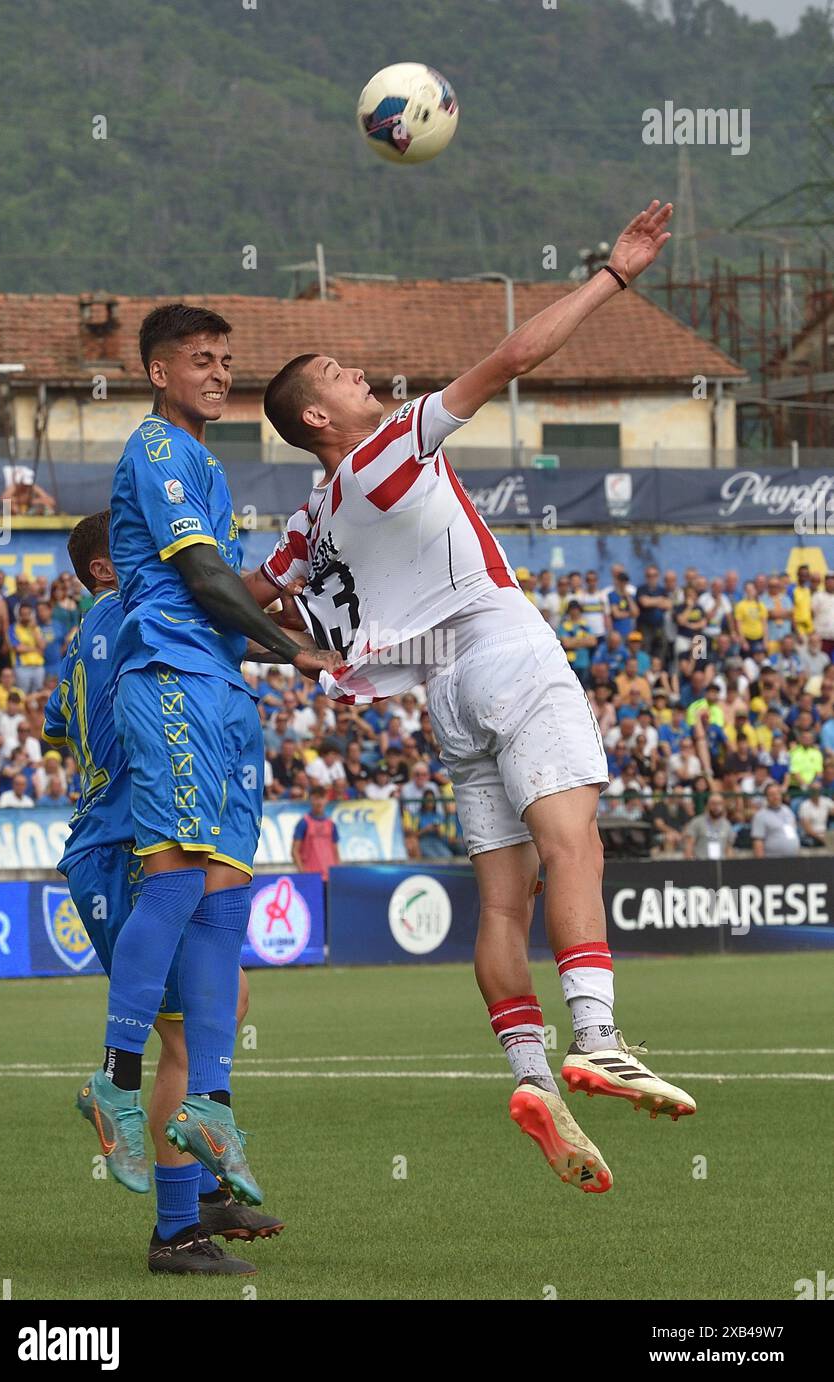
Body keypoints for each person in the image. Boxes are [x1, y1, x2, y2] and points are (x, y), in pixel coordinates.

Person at [255, 200, 694, 1197]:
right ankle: (597, 1037)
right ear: (319, 420)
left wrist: (150, 584)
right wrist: (611, 276)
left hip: (443, 698)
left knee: (502, 899)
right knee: (573, 844)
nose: (361, 376)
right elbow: (507, 361)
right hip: (501, 650)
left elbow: (256, 596)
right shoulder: (387, 448)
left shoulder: (312, 514)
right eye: (339, 377)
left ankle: (531, 1076)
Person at [76, 305, 337, 1215]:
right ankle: (112, 1079)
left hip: (220, 690)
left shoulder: (207, 463)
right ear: (157, 373)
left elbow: (232, 602)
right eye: (201, 359)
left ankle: (214, 1107)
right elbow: (203, 584)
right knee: (180, 878)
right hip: (174, 682)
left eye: (228, 360)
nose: (221, 372)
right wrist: (293, 648)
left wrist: (299, 639)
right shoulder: (156, 450)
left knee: (228, 897)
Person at [45, 513, 282, 1273]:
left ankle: (201, 1185)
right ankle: (178, 1231)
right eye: (135, 548)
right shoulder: (143, 617)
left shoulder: (93, 633)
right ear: (106, 571)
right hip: (133, 849)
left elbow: (58, 723)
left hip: (114, 838)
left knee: (228, 1000)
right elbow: (238, 622)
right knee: (181, 1040)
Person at [291, 786, 340, 880]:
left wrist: (337, 873)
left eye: (322, 798)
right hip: (311, 876)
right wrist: (303, 873)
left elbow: (335, 852)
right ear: (311, 800)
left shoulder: (331, 824)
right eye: (316, 798)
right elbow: (294, 851)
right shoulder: (304, 823)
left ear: (326, 800)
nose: (319, 802)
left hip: (329, 876)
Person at [751, 782, 800, 858]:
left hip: (792, 860)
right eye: (772, 794)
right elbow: (758, 842)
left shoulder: (788, 811)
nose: (775, 797)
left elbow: (793, 834)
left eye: (777, 793)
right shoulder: (760, 816)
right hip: (772, 861)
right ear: (766, 797)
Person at [683, 793, 735, 860]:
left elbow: (729, 848)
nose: (716, 807)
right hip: (701, 862)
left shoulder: (727, 825)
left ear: (723, 805)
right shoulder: (697, 822)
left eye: (719, 803)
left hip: (721, 864)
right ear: (708, 805)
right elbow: (689, 846)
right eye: (713, 803)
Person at [797, 781, 834, 848]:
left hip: (825, 835)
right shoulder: (805, 805)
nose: (816, 791)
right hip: (810, 837)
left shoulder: (826, 801)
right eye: (814, 790)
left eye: (818, 789)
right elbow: (807, 829)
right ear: (810, 791)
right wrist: (822, 839)